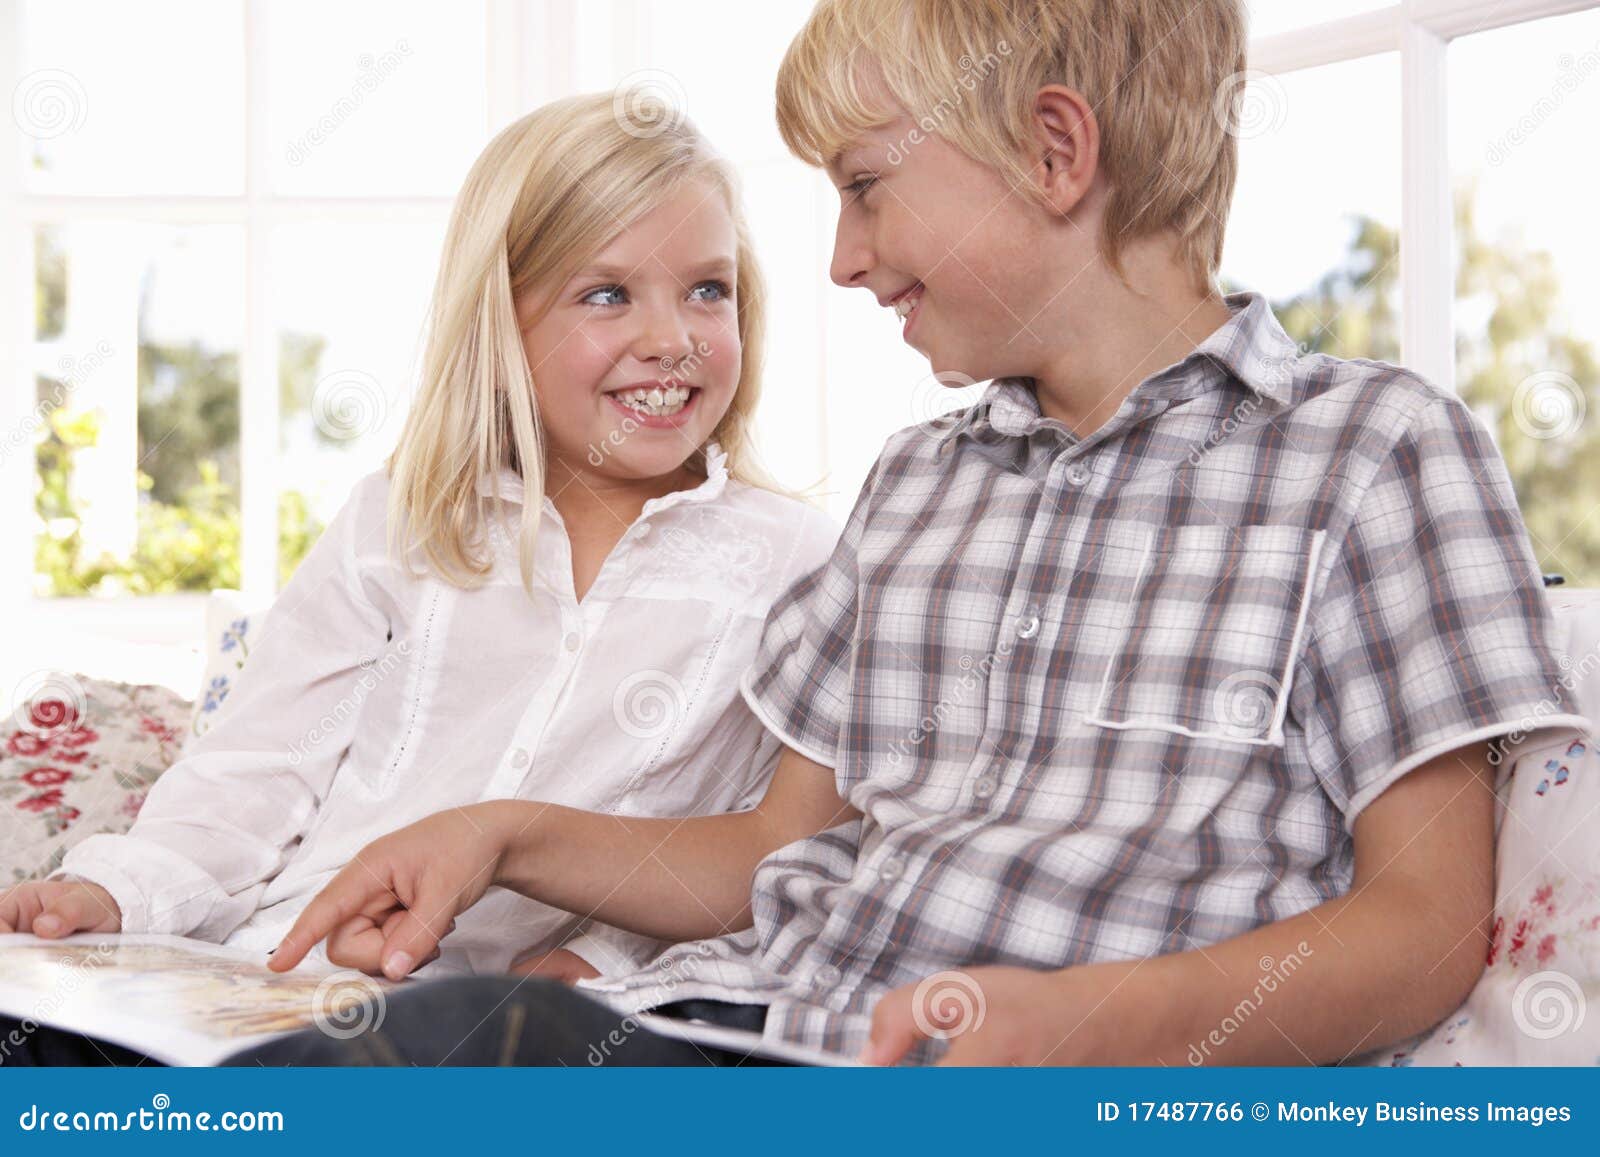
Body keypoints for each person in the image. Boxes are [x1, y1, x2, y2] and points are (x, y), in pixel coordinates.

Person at [255, 0, 1588, 1067]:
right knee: (296, 1063)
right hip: (744, 1029)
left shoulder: (1372, 454)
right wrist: (504, 833)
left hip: (989, 1082)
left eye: (867, 185)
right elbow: (773, 852)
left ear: (1057, 152)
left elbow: (1420, 931)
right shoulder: (918, 483)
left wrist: (1094, 1027)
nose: (840, 257)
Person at [0, 92, 838, 1066]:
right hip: (257, 974)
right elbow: (256, 766)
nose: (674, 337)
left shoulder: (798, 565)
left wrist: (593, 957)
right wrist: (114, 889)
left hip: (487, 1021)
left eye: (708, 290)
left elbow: (765, 852)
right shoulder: (400, 521)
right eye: (606, 294)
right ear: (501, 323)